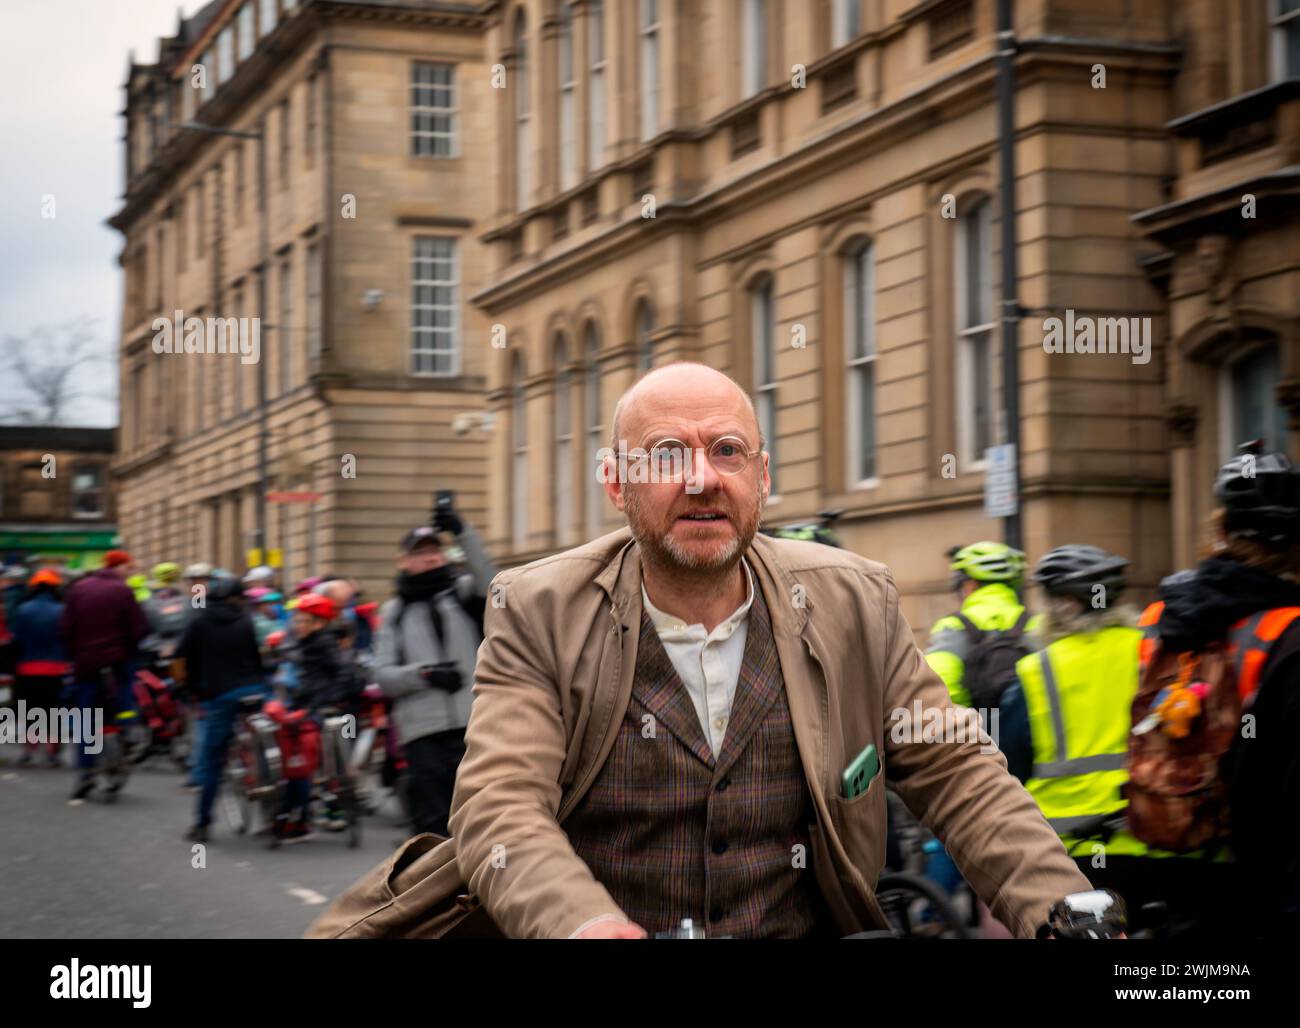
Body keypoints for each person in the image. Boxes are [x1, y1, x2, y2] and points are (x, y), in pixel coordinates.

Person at [314, 363, 1095, 940]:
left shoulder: (855, 599)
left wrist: (1062, 905)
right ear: (617, 485)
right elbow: (498, 805)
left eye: (726, 451)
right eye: (665, 454)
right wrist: (583, 925)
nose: (700, 479)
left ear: (761, 477)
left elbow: (959, 772)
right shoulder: (539, 607)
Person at [1139, 442, 1300, 937]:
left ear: (1221, 530)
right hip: (1266, 886)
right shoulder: (1289, 633)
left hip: (1175, 858)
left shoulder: (1160, 620)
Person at [996, 545, 1188, 933]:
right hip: (1162, 841)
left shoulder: (1036, 672)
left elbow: (1005, 770)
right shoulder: (1152, 654)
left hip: (1077, 859)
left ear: (1063, 604)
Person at [371, 509, 496, 837]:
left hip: (473, 726)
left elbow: (492, 580)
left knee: (481, 818)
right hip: (422, 734)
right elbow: (382, 676)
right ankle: (438, 886)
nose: (429, 558)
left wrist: (462, 531)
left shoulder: (463, 593)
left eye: (434, 551)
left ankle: (480, 885)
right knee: (434, 826)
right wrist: (424, 675)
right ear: (404, 561)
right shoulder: (393, 613)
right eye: (420, 553)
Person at [178, 574, 269, 842]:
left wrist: (191, 688)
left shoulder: (198, 622)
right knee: (264, 742)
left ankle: (202, 822)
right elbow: (256, 658)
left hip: (217, 694)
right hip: (252, 691)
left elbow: (184, 658)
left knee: (212, 759)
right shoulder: (246, 621)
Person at [58, 550, 150, 800]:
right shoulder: (123, 591)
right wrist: (130, 650)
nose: (130, 573)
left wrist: (74, 654)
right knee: (123, 701)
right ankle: (125, 731)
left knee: (85, 717)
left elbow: (65, 627)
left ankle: (85, 774)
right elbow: (140, 627)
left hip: (86, 662)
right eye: (128, 568)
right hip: (117, 661)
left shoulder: (78, 589)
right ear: (118, 567)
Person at [925, 542, 1041, 709]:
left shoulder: (952, 627)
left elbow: (939, 691)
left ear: (970, 585)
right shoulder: (1037, 625)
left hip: (976, 731)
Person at [11, 569, 71, 767]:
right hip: (55, 669)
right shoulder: (62, 610)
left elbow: (16, 640)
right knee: (53, 710)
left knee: (29, 710)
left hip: (27, 669)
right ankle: (52, 752)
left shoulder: (23, 609)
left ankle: (29, 749)